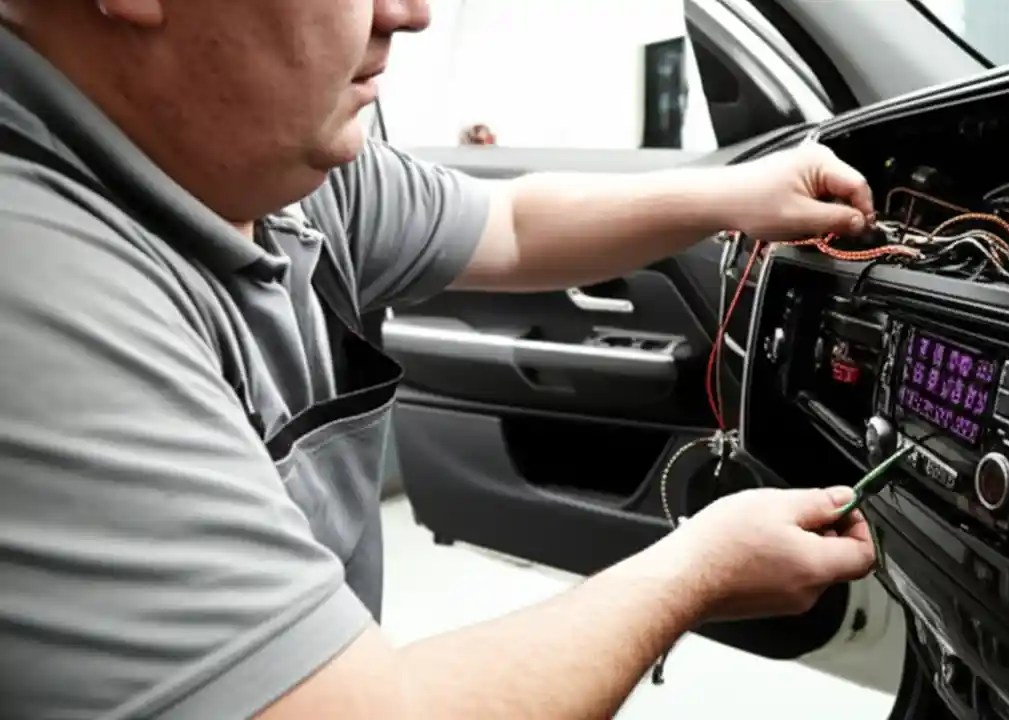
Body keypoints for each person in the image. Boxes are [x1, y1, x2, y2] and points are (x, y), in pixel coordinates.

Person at [0, 1, 879, 718]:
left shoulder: (272, 174)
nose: (410, 13)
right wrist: (700, 569)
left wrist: (734, 195)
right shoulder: (33, 275)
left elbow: (509, 225)